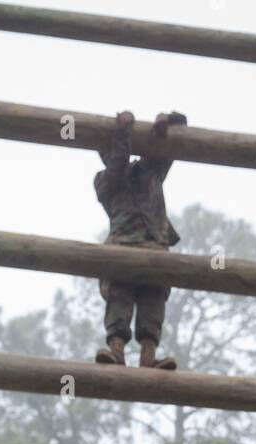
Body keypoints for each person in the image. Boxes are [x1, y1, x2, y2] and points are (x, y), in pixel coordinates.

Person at [93, 108, 186, 369]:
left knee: (153, 302)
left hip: (155, 247)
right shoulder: (104, 181)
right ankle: (116, 351)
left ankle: (148, 357)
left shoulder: (150, 173)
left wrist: (165, 126)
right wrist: (123, 131)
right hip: (122, 248)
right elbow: (119, 165)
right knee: (119, 300)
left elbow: (165, 151)